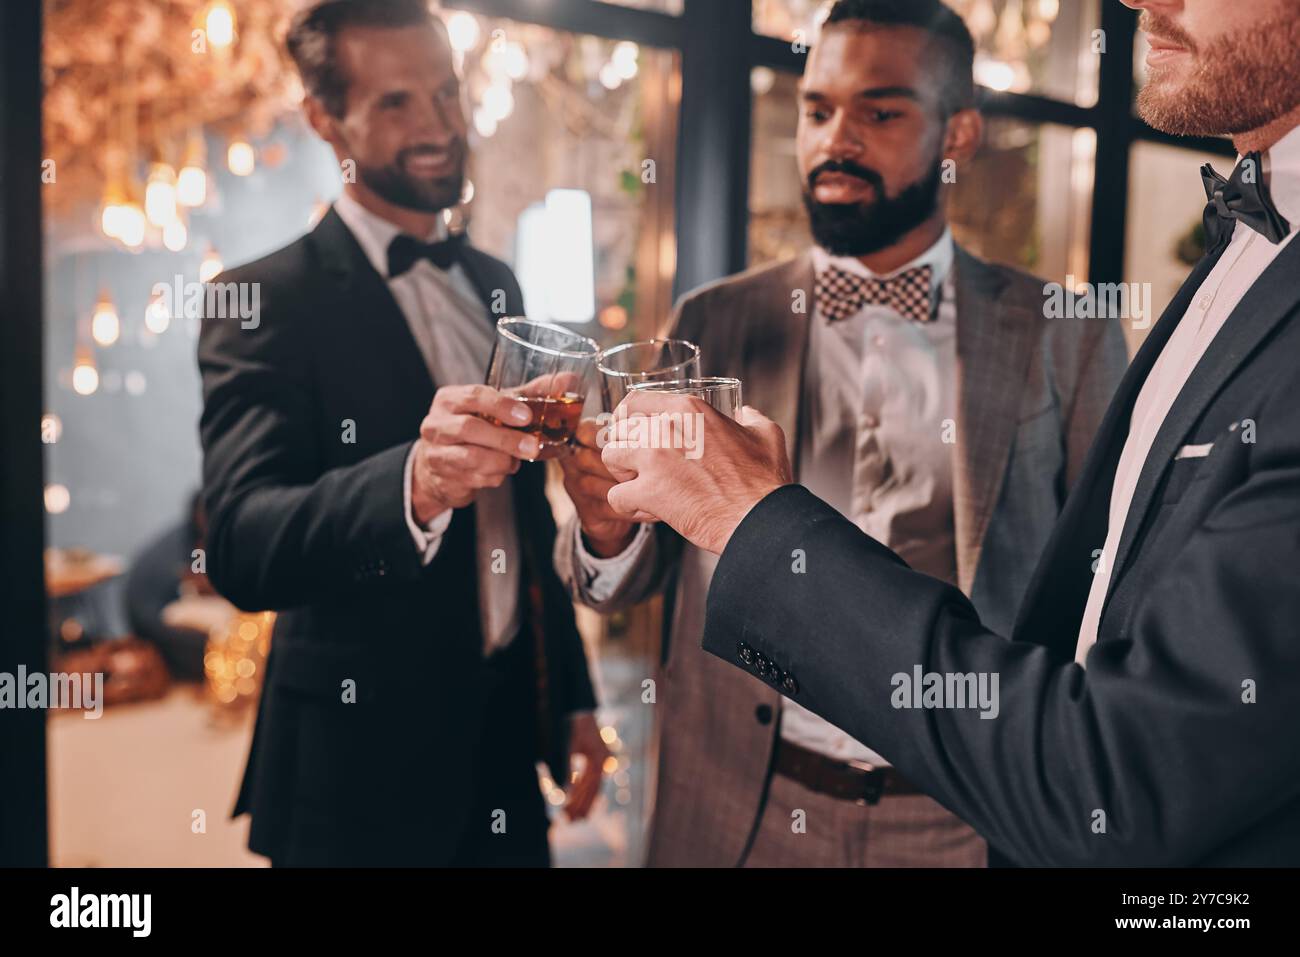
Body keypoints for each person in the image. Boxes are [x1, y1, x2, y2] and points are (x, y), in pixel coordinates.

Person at [603, 0, 1300, 866]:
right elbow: (627, 575)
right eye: (816, 110)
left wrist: (753, 514)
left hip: (959, 818)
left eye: (881, 111)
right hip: (742, 798)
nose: (835, 140)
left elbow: (1109, 626)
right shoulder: (715, 315)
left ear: (959, 134)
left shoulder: (1067, 331)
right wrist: (603, 526)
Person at [197, 0, 606, 867]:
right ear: (324, 118)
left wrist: (571, 696)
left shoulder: (495, 281)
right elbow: (240, 543)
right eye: (395, 103)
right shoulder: (264, 299)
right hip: (355, 776)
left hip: (505, 743)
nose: (438, 125)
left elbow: (525, 525)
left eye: (446, 93)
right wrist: (413, 483)